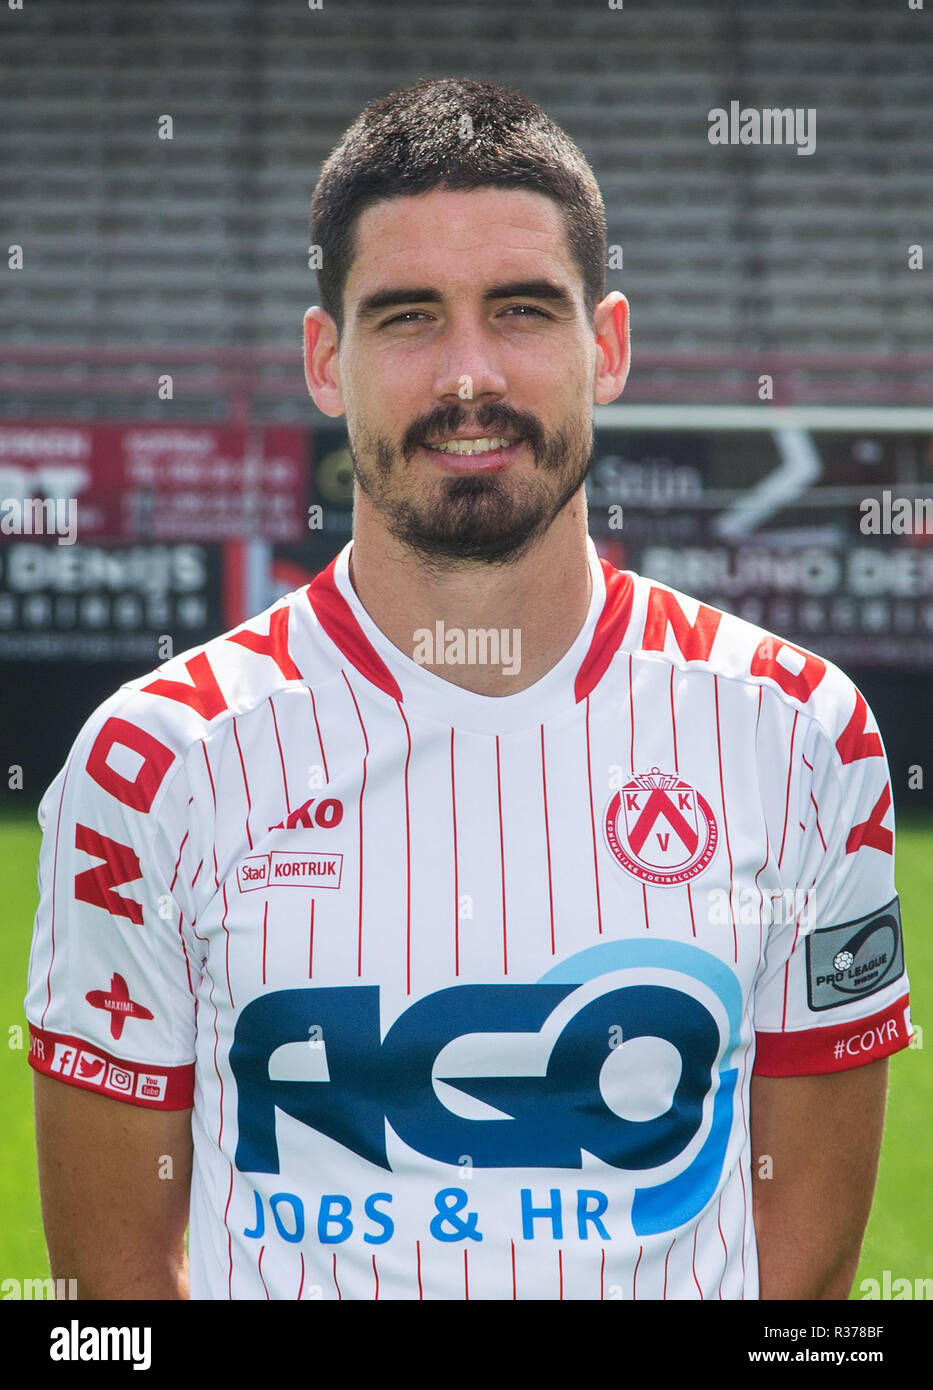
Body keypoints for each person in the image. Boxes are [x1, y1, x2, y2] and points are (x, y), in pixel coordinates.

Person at [26, 77, 910, 1301]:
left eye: (522, 310)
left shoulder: (804, 735)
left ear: (606, 345)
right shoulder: (151, 765)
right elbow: (109, 1284)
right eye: (406, 318)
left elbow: (804, 1277)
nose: (468, 375)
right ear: (324, 360)